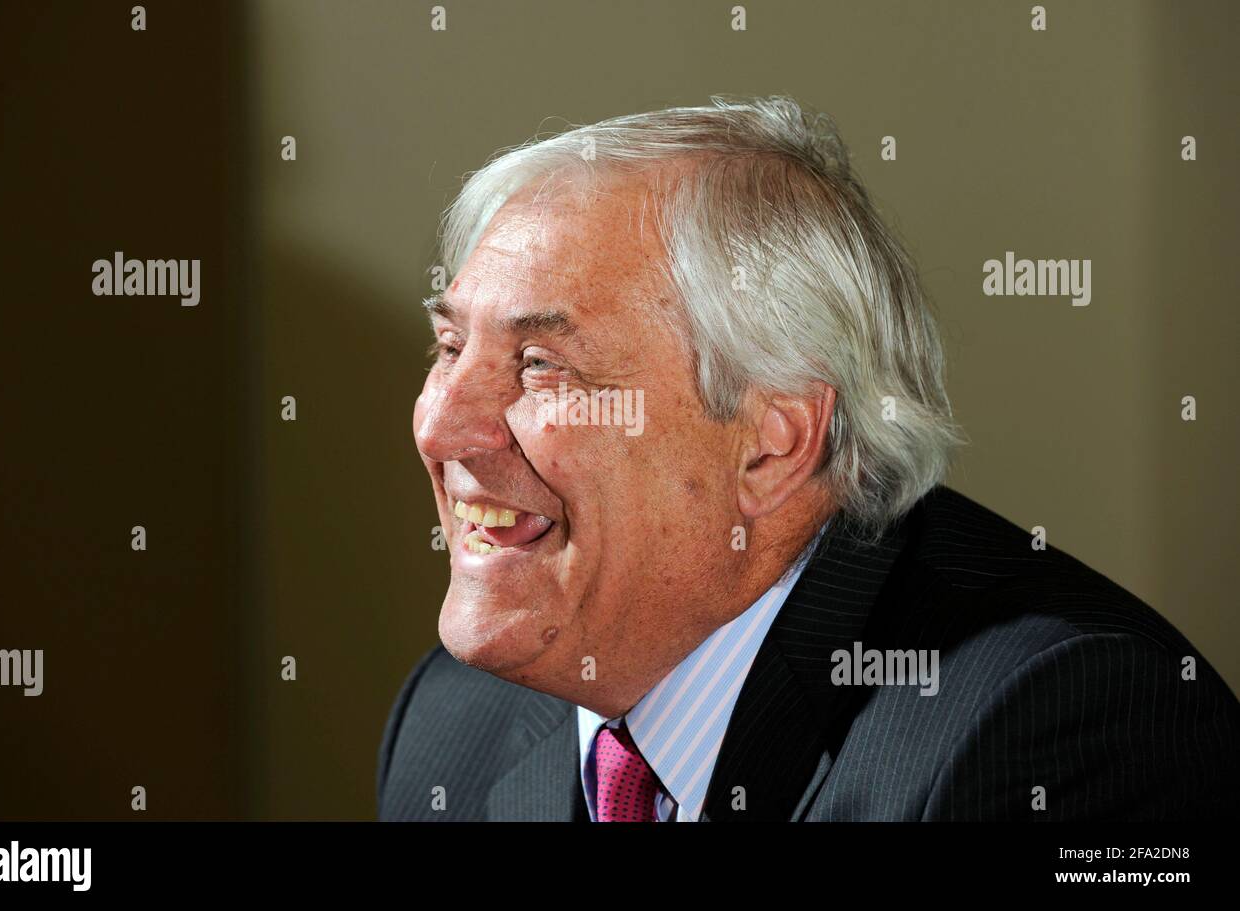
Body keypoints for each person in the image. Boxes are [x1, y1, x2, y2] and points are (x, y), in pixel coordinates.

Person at [377, 96, 1240, 821]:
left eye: (541, 365)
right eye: (449, 346)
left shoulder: (1064, 724)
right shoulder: (457, 716)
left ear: (774, 443)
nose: (442, 428)